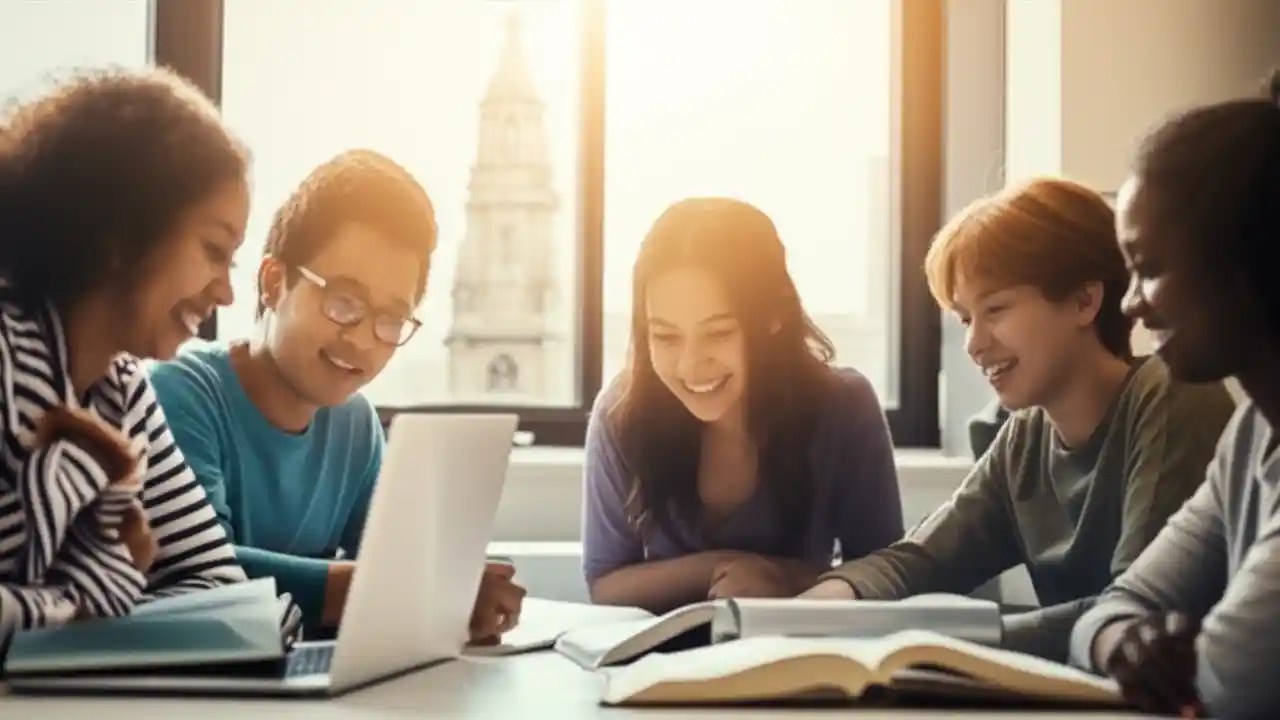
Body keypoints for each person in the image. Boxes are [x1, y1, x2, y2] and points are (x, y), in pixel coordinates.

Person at [801, 177, 1236, 663]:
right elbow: (921, 560)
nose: (974, 343)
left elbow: (1134, 611)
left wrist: (943, 640)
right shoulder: (1025, 436)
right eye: (967, 318)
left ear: (1084, 302)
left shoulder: (1170, 395)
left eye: (996, 309)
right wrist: (819, 605)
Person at [149, 150, 524, 642]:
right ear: (273, 282)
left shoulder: (356, 425)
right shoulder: (181, 391)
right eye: (344, 301)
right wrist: (405, 591)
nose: (363, 339)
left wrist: (459, 586)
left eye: (391, 319)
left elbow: (396, 563)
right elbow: (198, 566)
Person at [0, 68, 250, 652]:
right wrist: (91, 599)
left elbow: (214, 583)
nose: (225, 294)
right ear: (117, 231)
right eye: (213, 250)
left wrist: (80, 613)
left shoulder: (122, 390)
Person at [1069, 73, 1280, 719]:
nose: (1130, 303)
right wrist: (1125, 642)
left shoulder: (1185, 411)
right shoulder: (1250, 437)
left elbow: (1229, 683)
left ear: (1244, 261)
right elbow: (1113, 607)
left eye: (1149, 267)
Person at [583, 197, 904, 614]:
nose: (690, 365)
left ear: (774, 316)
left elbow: (888, 572)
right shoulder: (621, 413)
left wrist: (781, 581)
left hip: (803, 660)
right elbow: (605, 583)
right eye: (665, 337)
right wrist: (726, 567)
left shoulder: (843, 406)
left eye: (717, 333)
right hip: (662, 667)